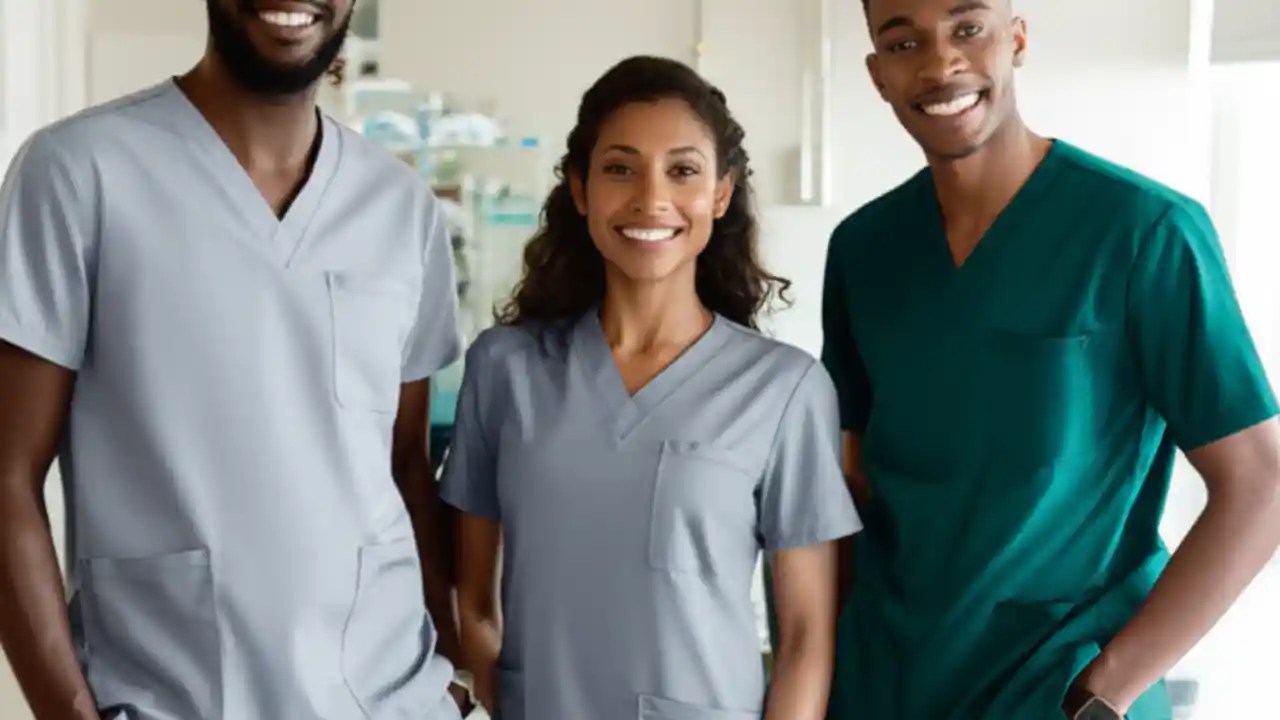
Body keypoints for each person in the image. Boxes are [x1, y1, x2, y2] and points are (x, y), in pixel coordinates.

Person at [0, 1, 471, 718]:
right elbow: (5, 475)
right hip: (173, 698)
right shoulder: (78, 172)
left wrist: (452, 675)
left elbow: (403, 464)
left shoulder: (400, 206)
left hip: (388, 699)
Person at [822, 1, 1280, 718]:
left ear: (1018, 38)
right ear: (878, 74)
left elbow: (1262, 484)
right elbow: (850, 484)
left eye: (968, 28)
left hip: (1056, 691)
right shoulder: (862, 250)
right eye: (905, 40)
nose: (941, 63)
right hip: (885, 686)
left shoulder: (1145, 233)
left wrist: (1106, 691)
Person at [439, 55, 860, 720]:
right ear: (580, 189)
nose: (650, 197)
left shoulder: (784, 389)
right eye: (620, 168)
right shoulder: (504, 370)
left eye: (683, 170)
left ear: (720, 194)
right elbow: (475, 600)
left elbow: (806, 638)